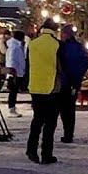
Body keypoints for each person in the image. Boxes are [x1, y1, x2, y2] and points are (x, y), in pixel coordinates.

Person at [24, 19, 62, 164]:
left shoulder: (33, 44)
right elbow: (60, 67)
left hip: (35, 86)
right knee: (50, 123)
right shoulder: (56, 44)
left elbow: (28, 64)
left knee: (37, 120)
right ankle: (46, 154)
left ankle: (31, 149)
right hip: (52, 87)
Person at [56, 23, 88, 143]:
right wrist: (78, 78)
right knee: (70, 109)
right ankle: (69, 133)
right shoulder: (79, 47)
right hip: (73, 82)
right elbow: (85, 62)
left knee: (62, 109)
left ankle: (66, 133)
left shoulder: (61, 47)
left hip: (63, 82)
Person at [5, 29, 28, 117]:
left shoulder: (15, 46)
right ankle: (11, 109)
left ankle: (12, 108)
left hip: (16, 72)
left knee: (14, 91)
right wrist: (12, 72)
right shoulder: (15, 47)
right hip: (14, 73)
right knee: (13, 91)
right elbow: (12, 60)